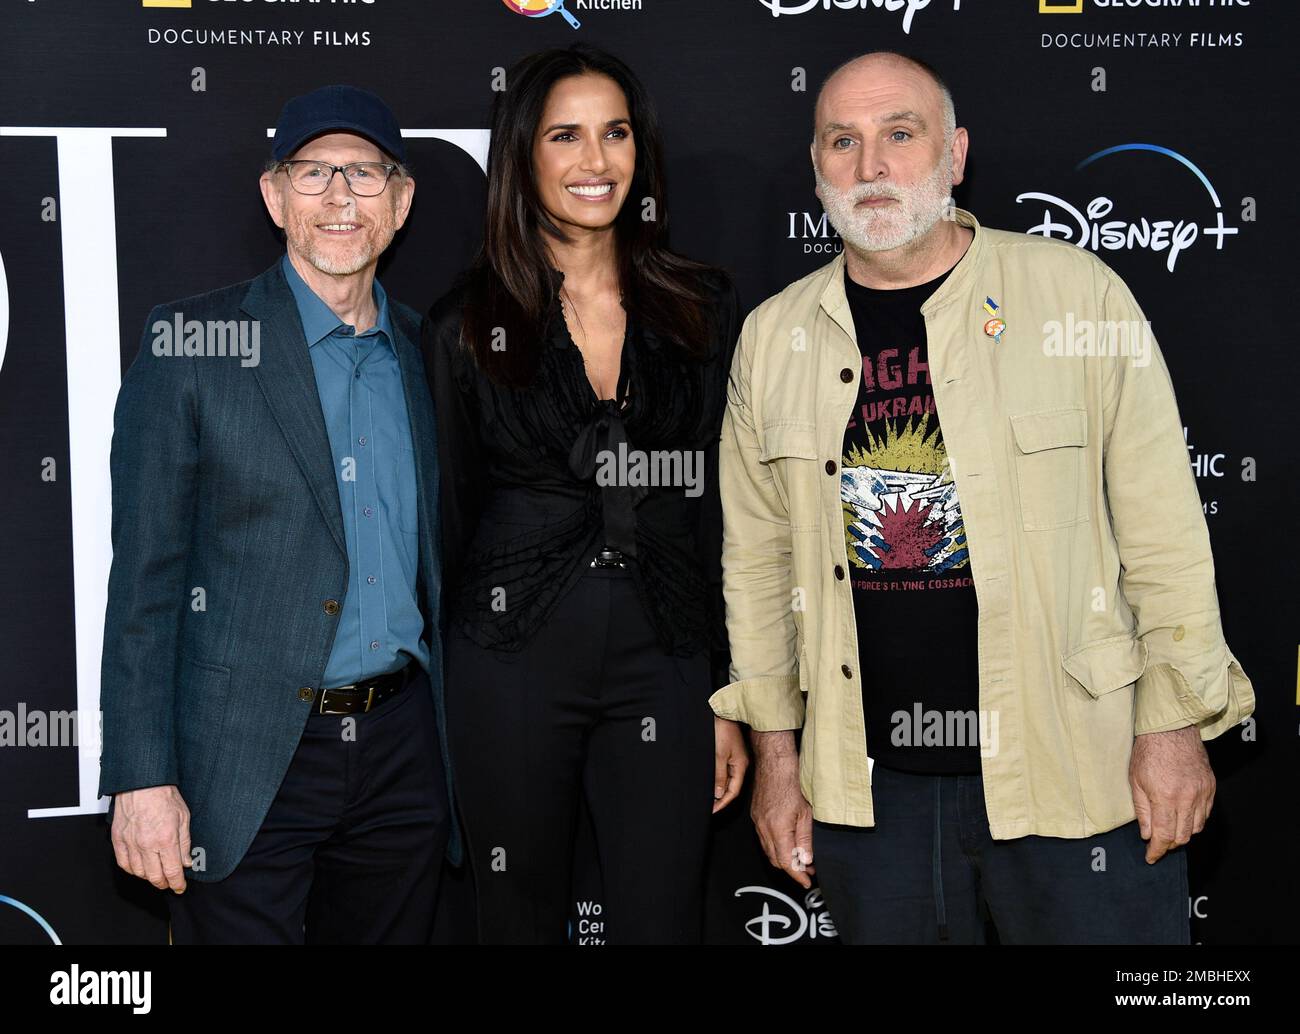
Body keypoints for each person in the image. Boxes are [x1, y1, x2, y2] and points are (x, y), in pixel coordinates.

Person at [710, 51, 1255, 944]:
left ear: (954, 154)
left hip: (1081, 774)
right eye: (841, 141)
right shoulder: (773, 340)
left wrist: (1175, 730)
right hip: (869, 795)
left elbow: (1164, 534)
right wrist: (778, 758)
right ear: (817, 167)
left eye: (900, 134)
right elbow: (759, 569)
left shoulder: (1078, 296)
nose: (871, 166)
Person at [98, 84, 459, 944]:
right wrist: (142, 778)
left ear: (402, 202)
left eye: (365, 174)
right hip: (247, 755)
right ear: (274, 195)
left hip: (404, 753)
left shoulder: (429, 353)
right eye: (312, 173)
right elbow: (144, 584)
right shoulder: (192, 345)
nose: (339, 197)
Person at [423, 43, 747, 944]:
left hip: (669, 659)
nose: (594, 162)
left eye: (615, 133)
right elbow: (448, 524)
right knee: (515, 917)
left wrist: (727, 692)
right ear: (523, 156)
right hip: (511, 658)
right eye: (565, 136)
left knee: (664, 917)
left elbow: (722, 514)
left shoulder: (703, 310)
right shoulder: (465, 327)